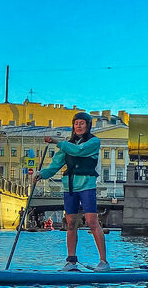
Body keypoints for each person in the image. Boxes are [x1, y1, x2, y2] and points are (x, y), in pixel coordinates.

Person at [33, 112, 109, 272]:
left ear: (88, 126)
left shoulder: (94, 141)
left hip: (87, 185)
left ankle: (103, 262)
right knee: (71, 224)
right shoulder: (67, 144)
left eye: (82, 123)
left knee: (91, 222)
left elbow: (78, 151)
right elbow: (55, 165)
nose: (79, 126)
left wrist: (56, 141)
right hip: (69, 187)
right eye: (76, 123)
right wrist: (41, 174)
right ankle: (71, 261)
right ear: (73, 126)